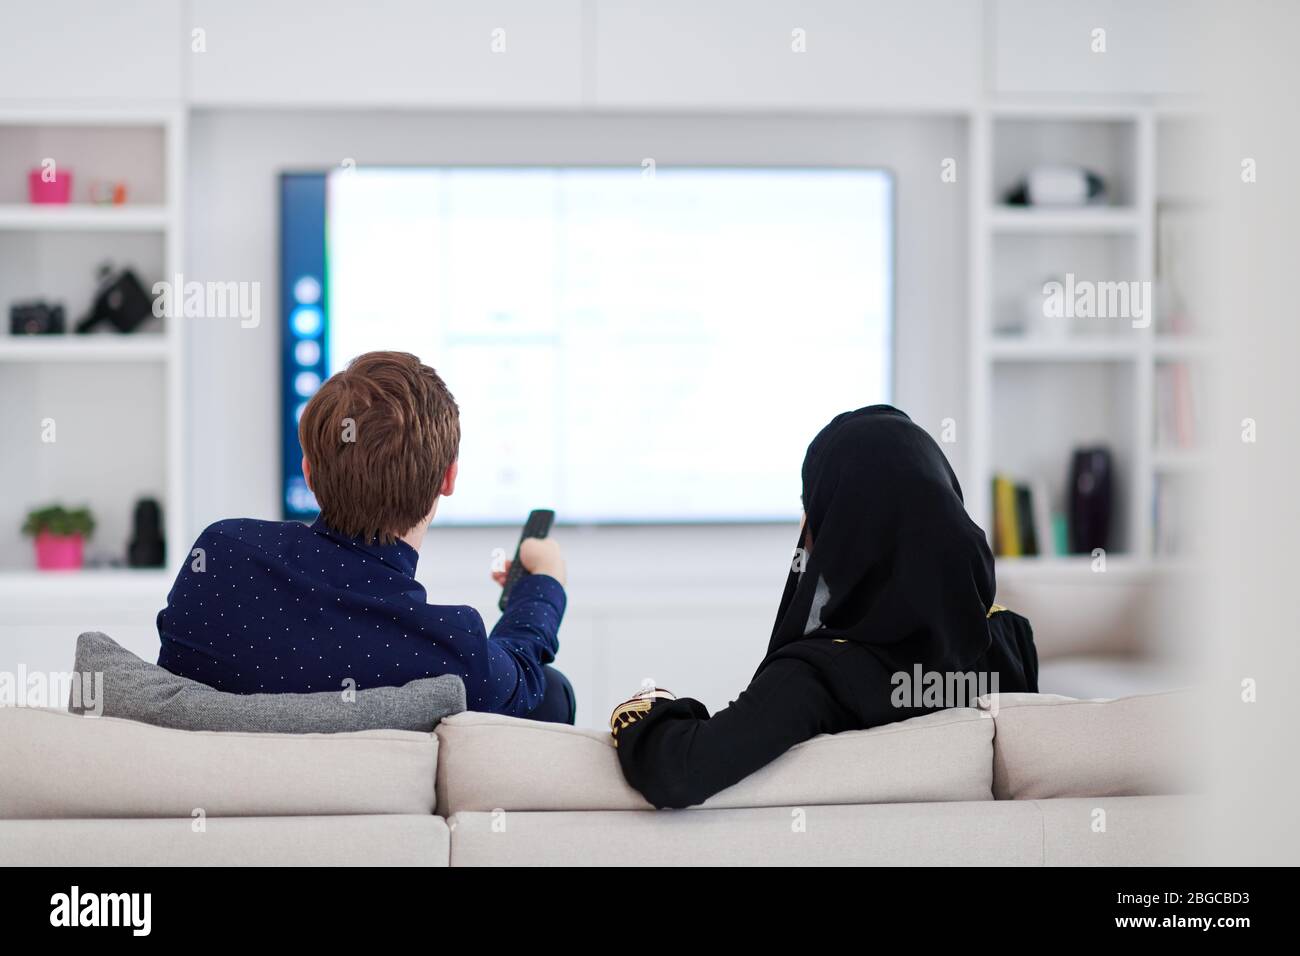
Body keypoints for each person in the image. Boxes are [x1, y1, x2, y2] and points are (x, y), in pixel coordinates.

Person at [611, 405, 1038, 807]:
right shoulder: (1008, 639)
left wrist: (649, 705)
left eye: (814, 510)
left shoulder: (816, 678)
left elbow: (680, 771)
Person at [157, 350, 575, 723]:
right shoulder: (447, 649)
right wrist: (543, 584)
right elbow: (523, 675)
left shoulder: (221, 558)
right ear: (449, 477)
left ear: (308, 472)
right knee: (552, 693)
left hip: (220, 799)